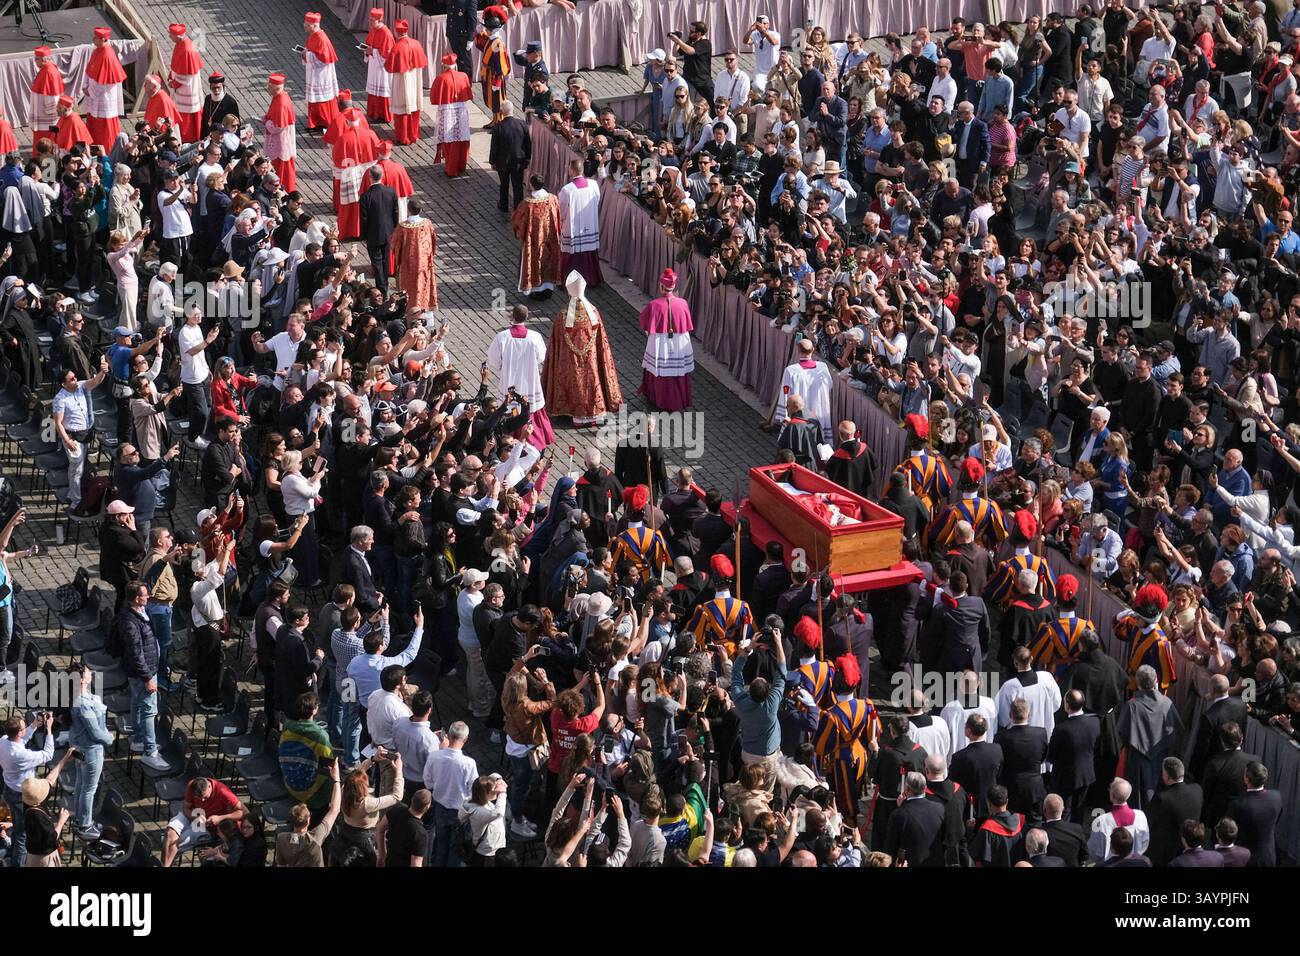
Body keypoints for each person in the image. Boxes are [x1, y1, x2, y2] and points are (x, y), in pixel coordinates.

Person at [542, 270, 622, 426]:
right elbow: (602, 343)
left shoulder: (563, 316)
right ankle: (596, 413)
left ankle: (574, 413)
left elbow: (555, 344)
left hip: (569, 363)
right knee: (593, 381)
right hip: (591, 362)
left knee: (573, 381)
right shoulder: (593, 314)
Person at [488, 303, 552, 448]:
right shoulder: (535, 337)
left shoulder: (502, 337)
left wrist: (503, 366)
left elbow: (493, 359)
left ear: (512, 317)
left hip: (509, 379)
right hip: (530, 378)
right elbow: (541, 357)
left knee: (509, 405)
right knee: (530, 405)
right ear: (527, 316)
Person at [423, 720, 479, 867]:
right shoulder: (469, 763)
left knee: (440, 841)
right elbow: (474, 789)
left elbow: (427, 781)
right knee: (455, 847)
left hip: (440, 807)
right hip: (460, 811)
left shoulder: (434, 756)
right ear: (465, 739)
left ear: (447, 735)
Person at [638, 268, 695, 411]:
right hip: (679, 343)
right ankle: (679, 398)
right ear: (674, 286)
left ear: (661, 286)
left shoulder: (654, 305)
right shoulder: (683, 303)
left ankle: (658, 398)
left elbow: (644, 322)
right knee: (678, 370)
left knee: (659, 369)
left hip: (660, 343)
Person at [162, 776, 247, 867]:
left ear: (210, 787)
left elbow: (245, 812)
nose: (202, 800)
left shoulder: (223, 792)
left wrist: (220, 818)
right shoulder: (192, 785)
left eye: (205, 796)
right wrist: (194, 817)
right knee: (169, 834)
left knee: (175, 842)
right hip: (192, 816)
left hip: (207, 827)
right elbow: (186, 808)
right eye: (198, 797)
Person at [275, 761, 341, 866]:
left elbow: (281, 864)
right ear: (308, 821)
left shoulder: (282, 838)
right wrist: (336, 779)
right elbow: (335, 809)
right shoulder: (315, 838)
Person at [512, 175, 562, 298]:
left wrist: (519, 233)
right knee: (549, 261)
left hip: (534, 242)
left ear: (532, 185)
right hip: (550, 240)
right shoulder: (553, 199)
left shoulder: (527, 205)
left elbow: (517, 220)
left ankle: (537, 290)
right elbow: (559, 217)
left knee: (535, 262)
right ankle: (548, 289)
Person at [557, 159, 603, 286]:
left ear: (571, 170)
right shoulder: (593, 184)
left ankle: (569, 281)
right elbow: (597, 201)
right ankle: (592, 278)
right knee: (589, 252)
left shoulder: (567, 190)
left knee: (572, 254)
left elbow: (561, 209)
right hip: (590, 224)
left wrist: (562, 220)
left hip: (574, 227)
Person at [81, 27, 125, 149]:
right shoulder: (97, 50)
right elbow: (90, 71)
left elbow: (106, 82)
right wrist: (85, 86)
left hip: (104, 97)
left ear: (103, 39)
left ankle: (108, 149)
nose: (93, 39)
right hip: (94, 94)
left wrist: (90, 91)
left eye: (95, 38)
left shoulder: (107, 56)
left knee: (104, 126)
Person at [384, 19, 427, 145]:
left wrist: (389, 55)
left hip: (402, 82)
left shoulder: (397, 47)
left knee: (402, 109)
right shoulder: (416, 44)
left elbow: (389, 67)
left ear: (397, 33)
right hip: (415, 81)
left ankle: (403, 136)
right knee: (413, 107)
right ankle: (413, 134)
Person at [391, 197, 438, 310]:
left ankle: (409, 311)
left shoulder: (403, 227)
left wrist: (399, 258)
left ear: (408, 210)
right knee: (423, 288)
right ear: (420, 210)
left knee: (409, 289)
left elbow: (395, 244)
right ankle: (425, 310)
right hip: (424, 264)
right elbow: (433, 240)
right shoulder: (427, 224)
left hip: (408, 265)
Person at [430, 53, 472, 177]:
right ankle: (461, 165)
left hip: (447, 113)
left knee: (450, 142)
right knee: (462, 140)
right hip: (461, 112)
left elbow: (433, 98)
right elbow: (469, 93)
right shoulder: (463, 76)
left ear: (444, 66)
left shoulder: (441, 78)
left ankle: (451, 168)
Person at [358, 167, 398, 295]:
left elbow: (364, 219)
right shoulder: (391, 192)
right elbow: (395, 212)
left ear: (370, 177)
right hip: (388, 232)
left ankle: (382, 289)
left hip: (373, 234)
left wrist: (363, 235)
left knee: (376, 263)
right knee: (386, 260)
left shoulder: (365, 196)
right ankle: (384, 284)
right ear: (382, 177)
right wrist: (395, 229)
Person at [489, 100, 531, 212]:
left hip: (503, 162)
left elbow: (494, 146)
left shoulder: (498, 127)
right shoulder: (522, 124)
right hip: (518, 161)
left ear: (502, 111)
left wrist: (492, 161)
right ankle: (518, 208)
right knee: (518, 186)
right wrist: (528, 158)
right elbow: (527, 144)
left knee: (504, 184)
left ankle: (503, 205)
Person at [474, 5, 512, 127]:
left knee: (497, 100)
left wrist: (497, 82)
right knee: (491, 100)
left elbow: (501, 66)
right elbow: (481, 45)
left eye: (489, 29)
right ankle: (495, 120)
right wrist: (479, 34)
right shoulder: (491, 39)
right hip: (488, 74)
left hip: (495, 77)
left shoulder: (498, 44)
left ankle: (499, 122)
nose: (487, 30)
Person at [302, 12, 340, 131]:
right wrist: (306, 53)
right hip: (315, 73)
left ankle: (323, 122)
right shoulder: (313, 35)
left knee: (321, 99)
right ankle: (316, 122)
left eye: (307, 24)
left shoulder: (321, 38)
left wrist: (306, 55)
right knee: (315, 99)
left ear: (314, 25)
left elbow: (324, 59)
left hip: (322, 74)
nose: (304, 26)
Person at [166, 23, 203, 142]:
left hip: (187, 88)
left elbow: (187, 75)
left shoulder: (187, 49)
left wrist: (174, 83)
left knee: (186, 118)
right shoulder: (180, 44)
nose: (169, 37)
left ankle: (187, 139)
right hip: (182, 85)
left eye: (171, 35)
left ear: (179, 36)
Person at [263, 73, 298, 194]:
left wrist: (267, 123)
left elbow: (279, 127)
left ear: (275, 87)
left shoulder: (281, 102)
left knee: (281, 169)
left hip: (281, 141)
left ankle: (283, 191)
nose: (268, 88)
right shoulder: (280, 96)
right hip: (283, 139)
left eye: (269, 86)